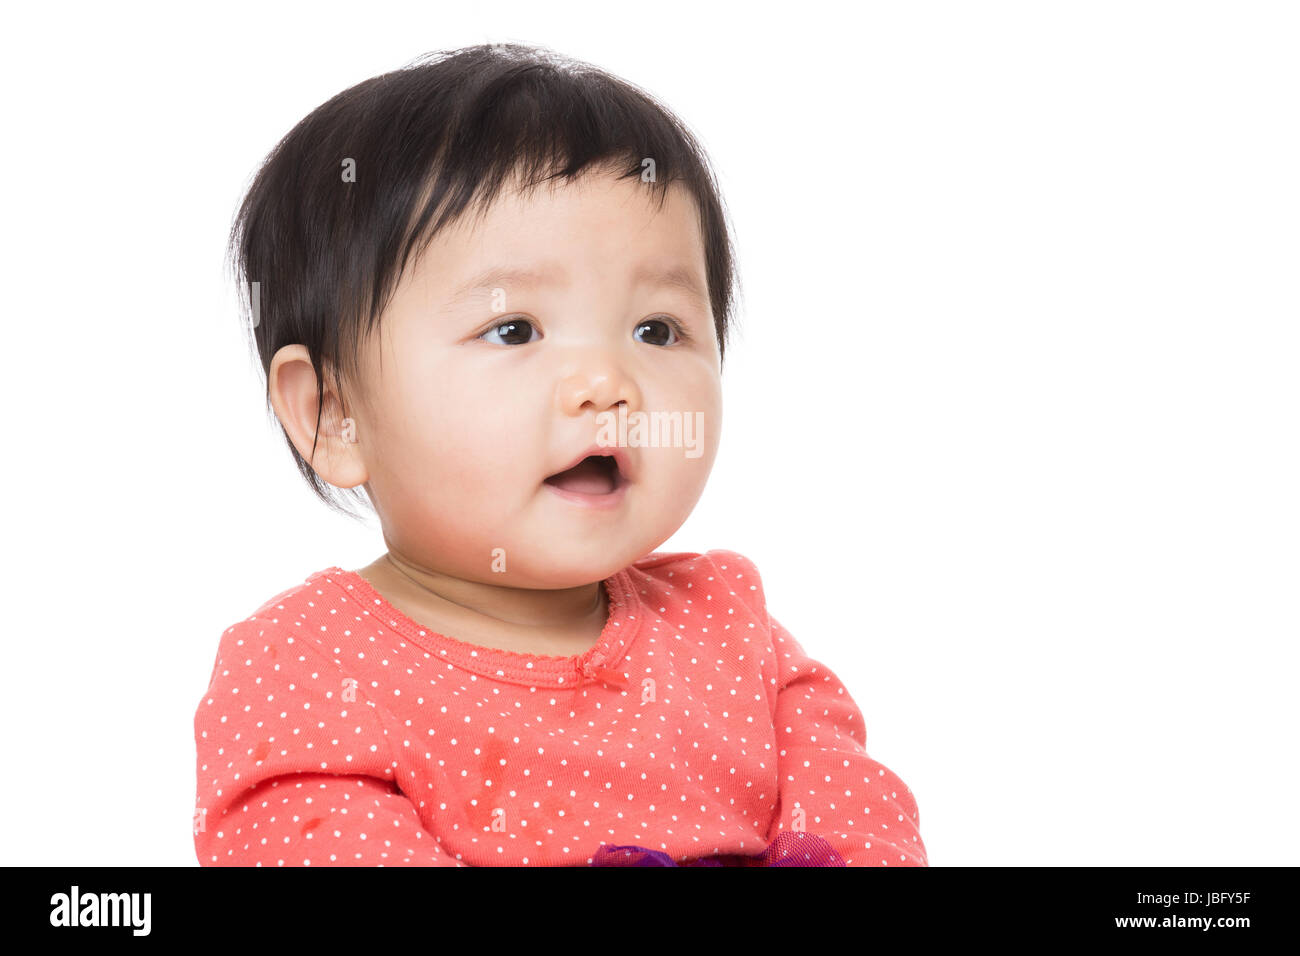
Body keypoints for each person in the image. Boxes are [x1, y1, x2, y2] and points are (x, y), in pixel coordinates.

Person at [194, 42, 927, 867]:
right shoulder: (309, 665)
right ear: (335, 415)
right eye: (514, 330)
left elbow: (868, 820)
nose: (605, 383)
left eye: (657, 329)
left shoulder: (732, 631)